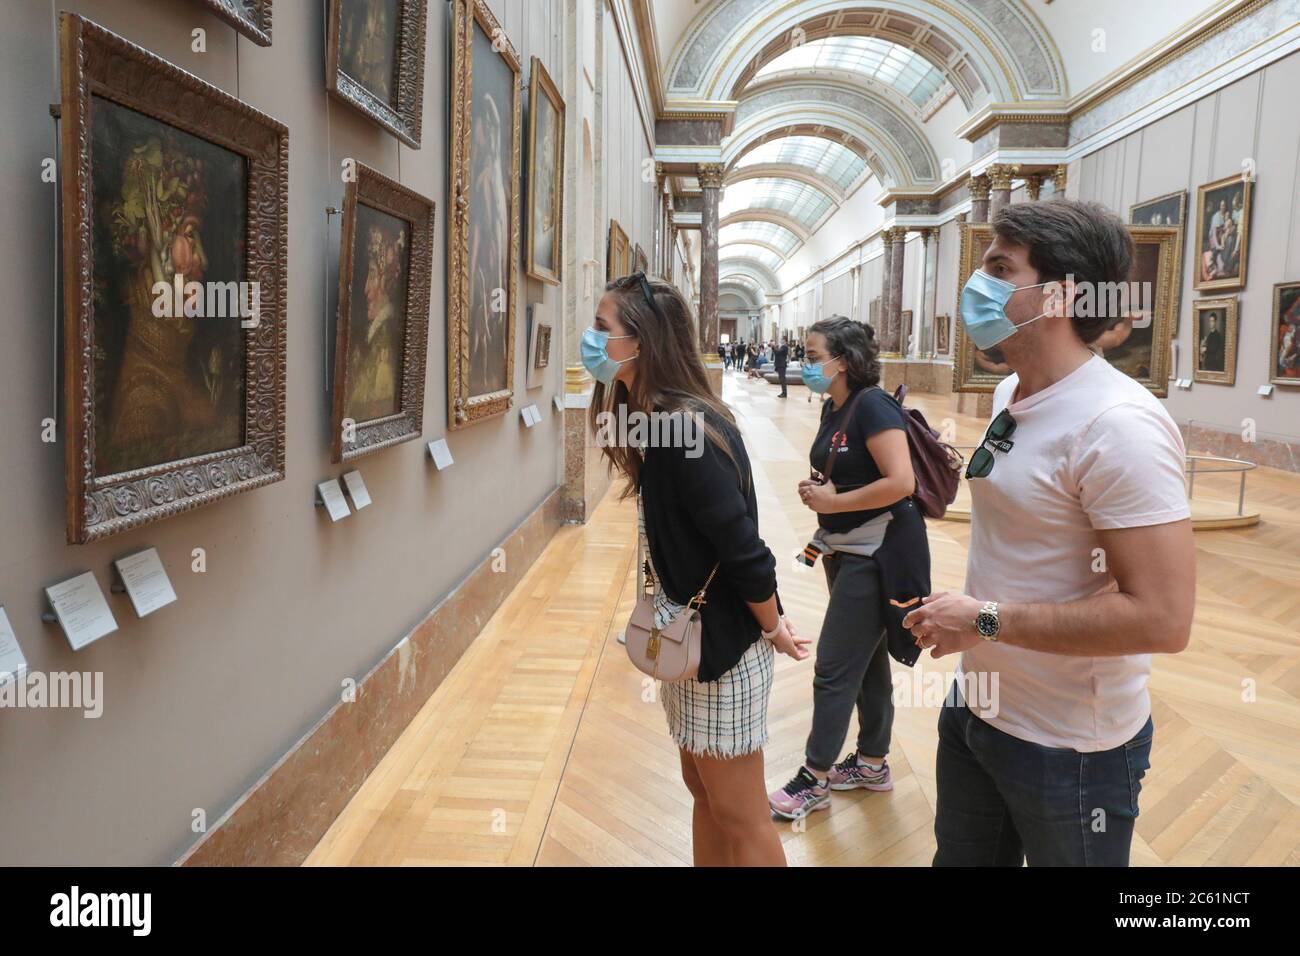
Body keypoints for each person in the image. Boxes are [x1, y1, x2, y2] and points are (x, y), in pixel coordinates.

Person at [904, 198, 1195, 867]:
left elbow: (1163, 619)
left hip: (1070, 749)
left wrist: (982, 619)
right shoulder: (1013, 393)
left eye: (1001, 269)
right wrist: (972, 627)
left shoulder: (1118, 424)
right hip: (979, 707)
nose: (979, 287)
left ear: (1059, 295)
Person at [584, 272, 810, 866]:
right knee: (703, 791)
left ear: (642, 340)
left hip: (724, 648)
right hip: (690, 637)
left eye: (601, 328)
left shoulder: (684, 429)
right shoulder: (658, 418)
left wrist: (772, 625)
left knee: (742, 815)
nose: (591, 339)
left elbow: (743, 549)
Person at [768, 316, 930, 820]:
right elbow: (845, 472)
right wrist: (821, 494)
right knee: (868, 660)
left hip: (879, 553)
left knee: (835, 667)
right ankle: (873, 762)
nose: (805, 363)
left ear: (845, 360)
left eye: (814, 356)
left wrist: (834, 504)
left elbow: (901, 481)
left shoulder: (872, 405)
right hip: (845, 549)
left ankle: (814, 780)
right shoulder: (833, 406)